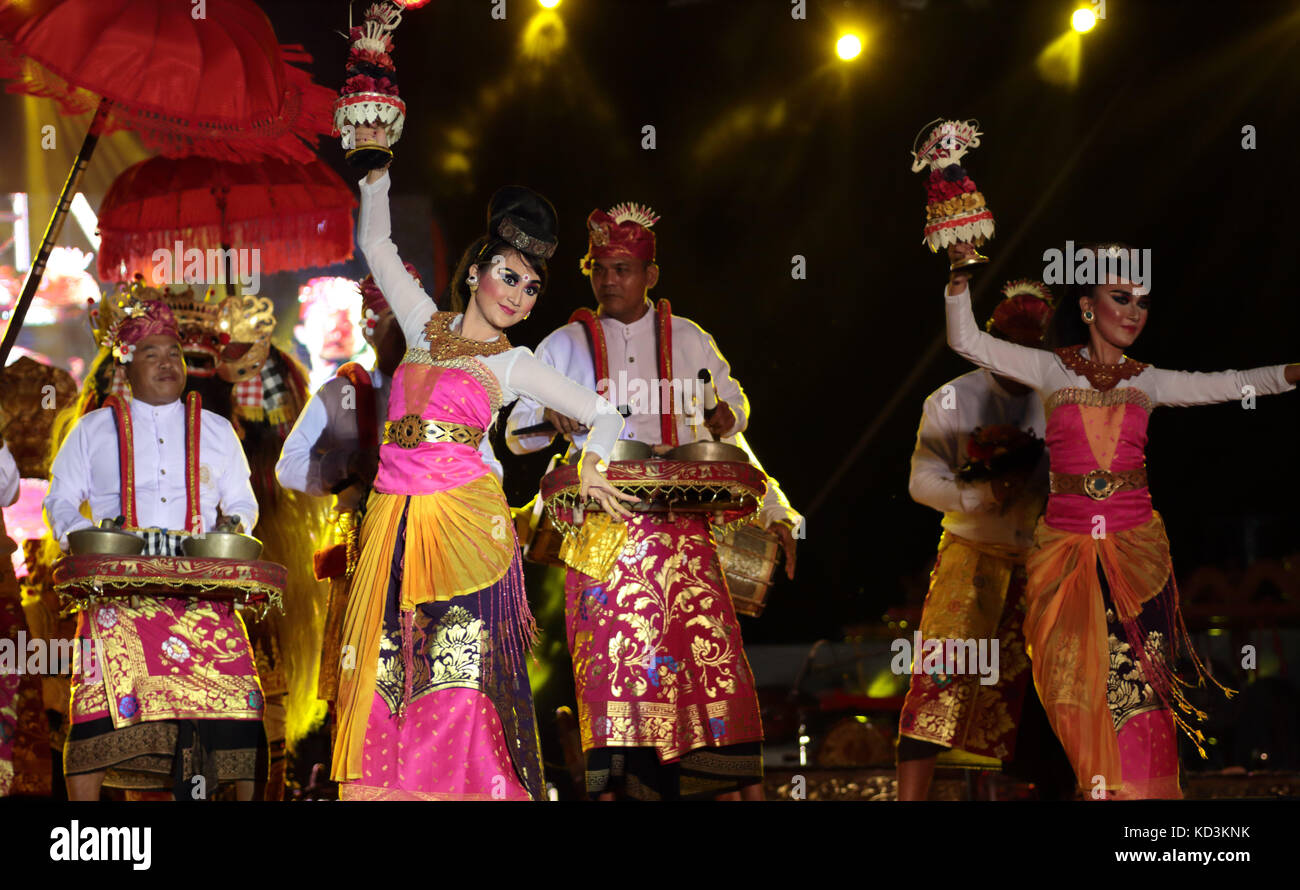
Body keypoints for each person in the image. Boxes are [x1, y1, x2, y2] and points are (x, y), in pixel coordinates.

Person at [333, 130, 632, 801]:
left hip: (465, 530)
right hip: (393, 524)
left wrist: (593, 466)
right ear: (475, 271)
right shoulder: (420, 324)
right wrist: (375, 171)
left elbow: (606, 415)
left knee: (456, 674)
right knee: (384, 671)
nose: (519, 297)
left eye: (531, 289)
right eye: (508, 276)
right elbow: (378, 247)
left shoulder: (513, 363)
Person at [943, 241, 1299, 798]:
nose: (1133, 312)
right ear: (1088, 307)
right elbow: (965, 341)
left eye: (1142, 302)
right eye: (1120, 298)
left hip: (1135, 559)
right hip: (1065, 555)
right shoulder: (1049, 368)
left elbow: (1231, 383)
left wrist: (1292, 372)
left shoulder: (1149, 380)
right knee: (1073, 686)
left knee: (1139, 689)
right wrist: (959, 282)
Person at [506, 203, 795, 801]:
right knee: (612, 685)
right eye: (599, 269)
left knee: (711, 677)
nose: (609, 280)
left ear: (651, 274)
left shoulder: (692, 340)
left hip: (685, 538)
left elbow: (731, 426)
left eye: (623, 268)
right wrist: (551, 415)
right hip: (603, 538)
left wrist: (778, 510)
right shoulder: (563, 345)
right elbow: (517, 427)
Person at [45, 299, 262, 800]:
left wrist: (231, 526)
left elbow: (243, 505)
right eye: (150, 353)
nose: (167, 363)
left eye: (174, 353)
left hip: (203, 594)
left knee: (241, 716)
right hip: (119, 596)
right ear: (125, 363)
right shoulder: (92, 430)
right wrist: (89, 542)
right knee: (98, 719)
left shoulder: (218, 430)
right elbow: (59, 501)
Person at [898, 280, 1072, 800]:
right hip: (971, 558)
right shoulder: (952, 398)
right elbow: (921, 483)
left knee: (1047, 696)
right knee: (940, 683)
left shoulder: (1062, 402)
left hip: (1042, 562)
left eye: (1031, 350)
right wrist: (986, 491)